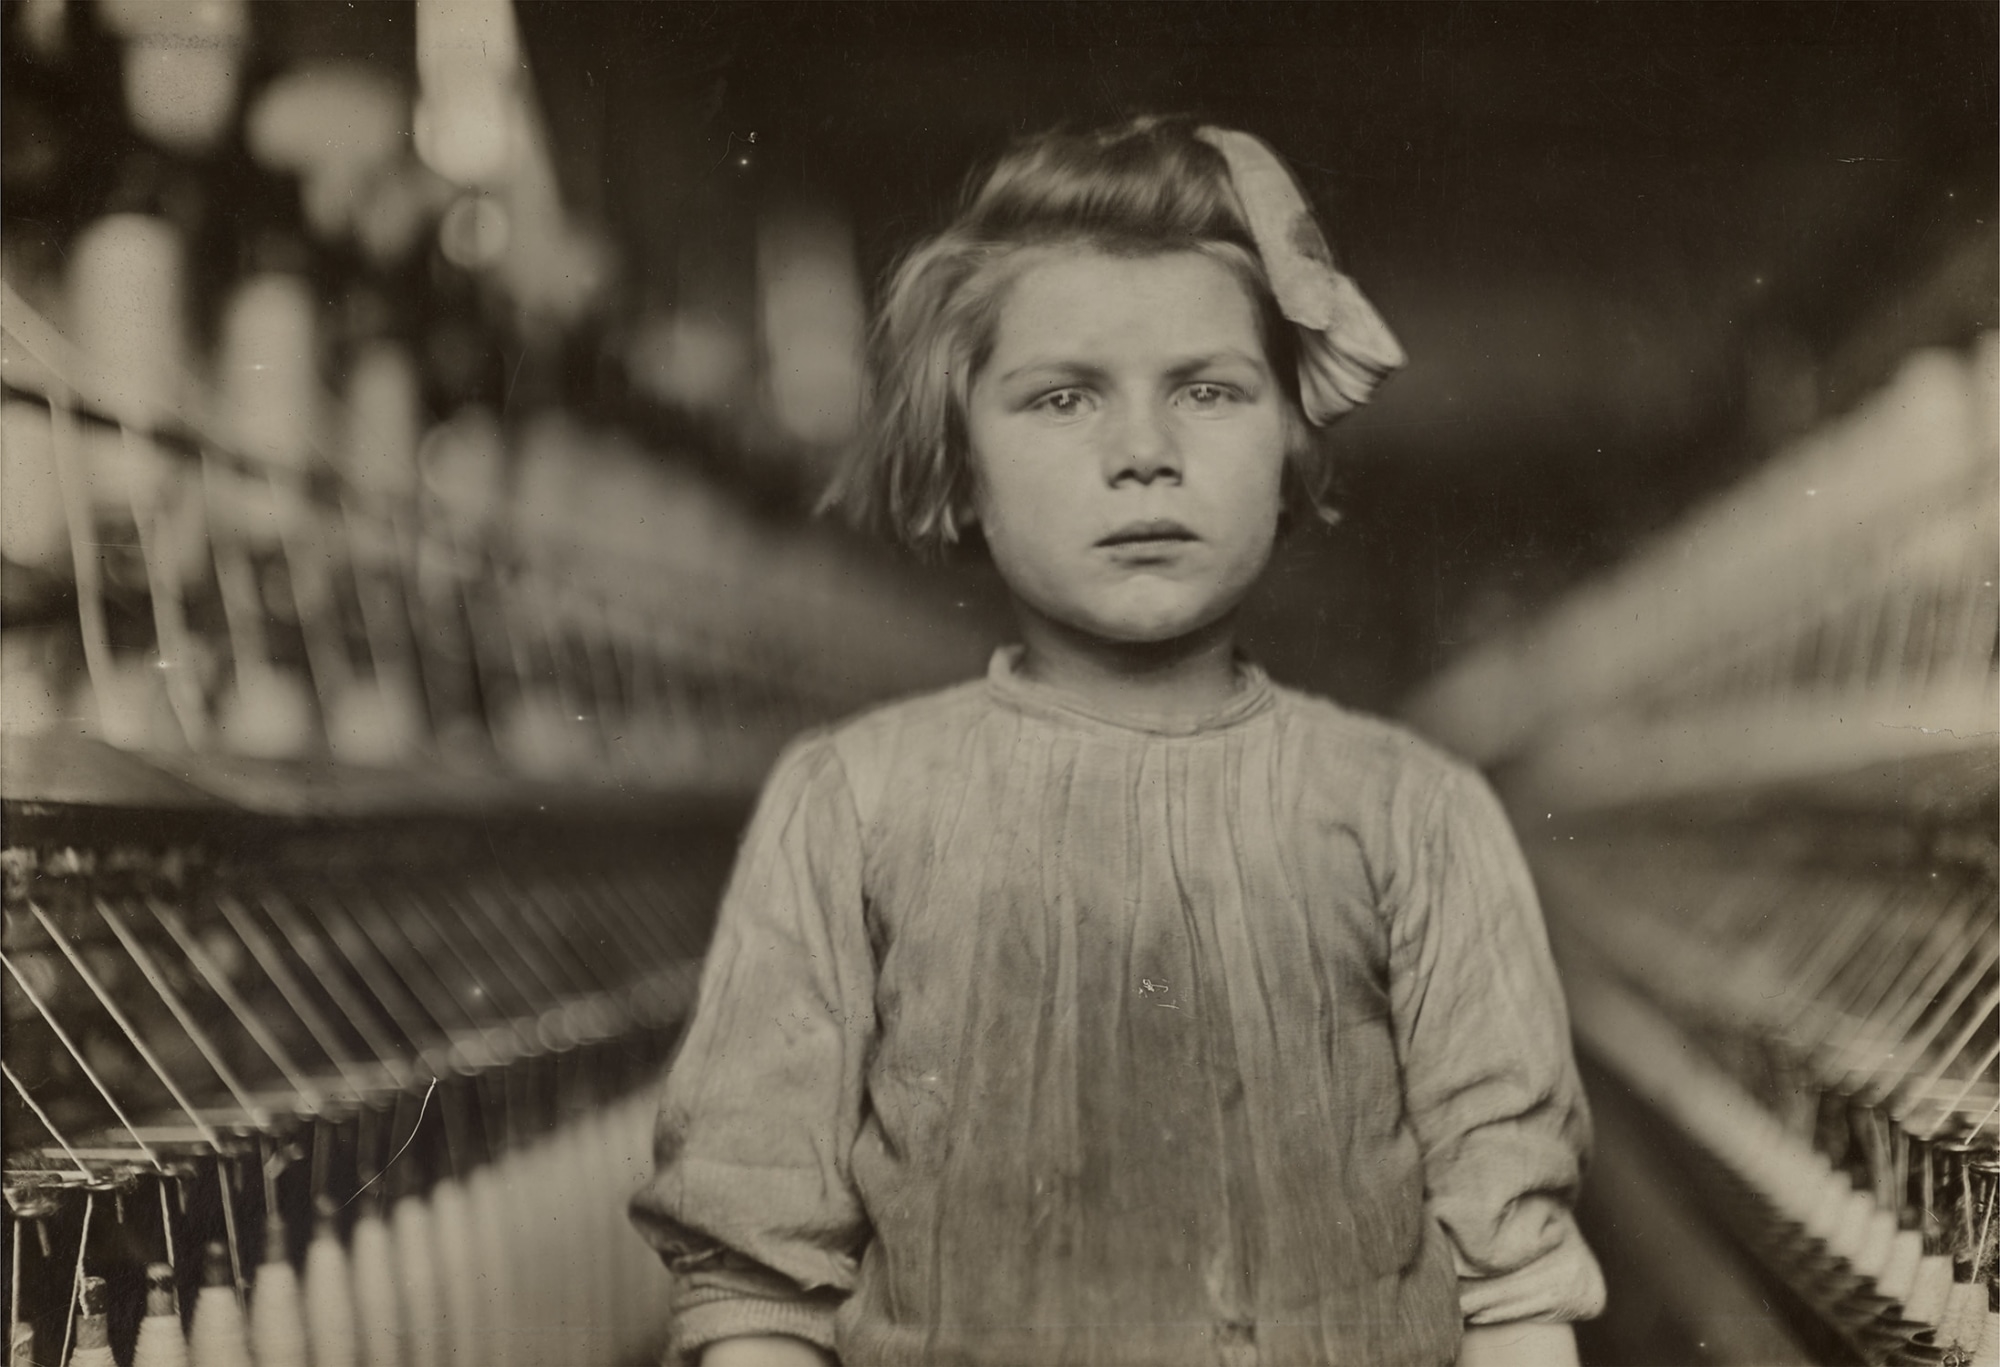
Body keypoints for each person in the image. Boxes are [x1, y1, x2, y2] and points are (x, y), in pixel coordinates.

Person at [630, 115, 1606, 1367]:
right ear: (960, 459)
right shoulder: (851, 802)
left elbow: (1513, 1293)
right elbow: (755, 1289)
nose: (1142, 453)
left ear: (1287, 446)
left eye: (1207, 390)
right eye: (1061, 396)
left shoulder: (1414, 809)